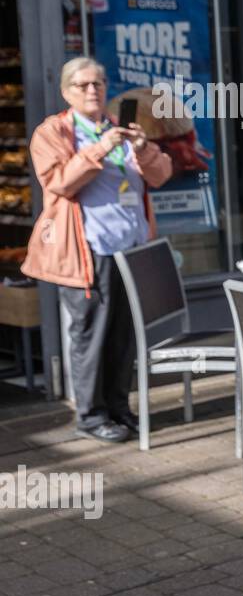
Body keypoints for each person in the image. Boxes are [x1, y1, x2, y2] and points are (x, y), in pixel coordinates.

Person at [22, 57, 173, 443]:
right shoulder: (52, 132)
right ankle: (91, 417)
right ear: (66, 92)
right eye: (83, 85)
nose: (93, 90)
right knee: (92, 336)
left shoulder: (118, 127)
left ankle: (120, 409)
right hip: (88, 252)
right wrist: (99, 149)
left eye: (99, 83)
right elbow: (58, 182)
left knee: (124, 336)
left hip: (132, 250)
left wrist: (142, 149)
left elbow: (161, 175)